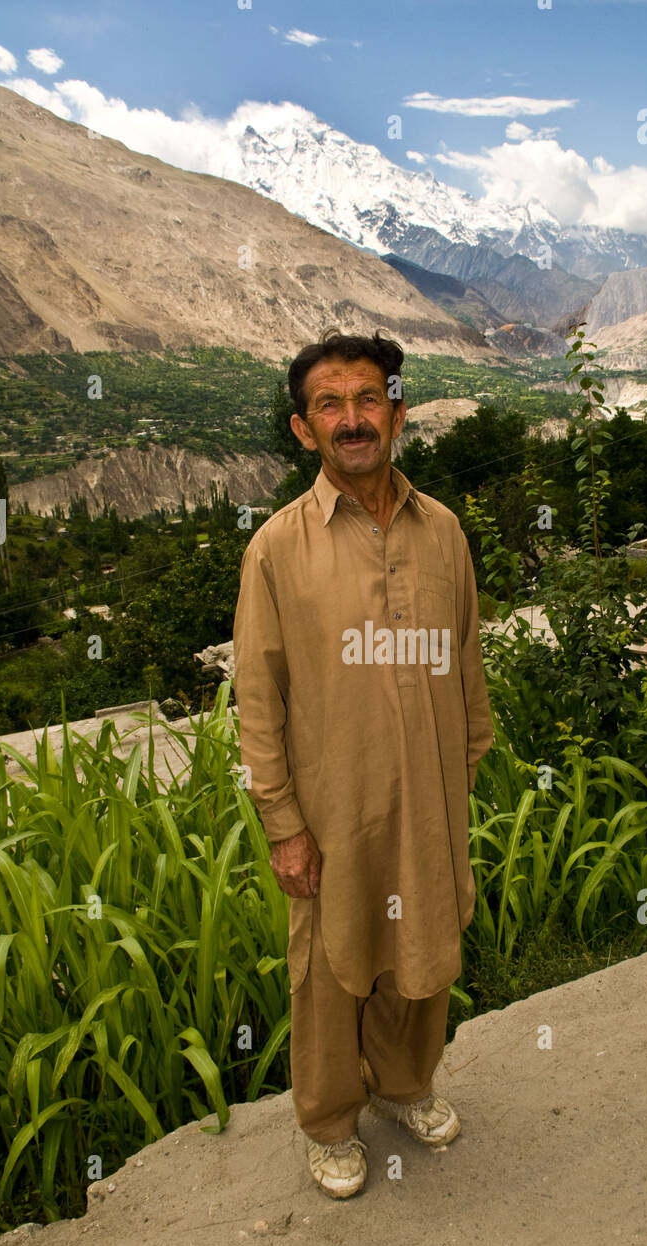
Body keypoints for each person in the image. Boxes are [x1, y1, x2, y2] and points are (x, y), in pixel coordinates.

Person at [232, 328, 494, 1199]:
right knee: (330, 965)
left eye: (367, 398)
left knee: (423, 943)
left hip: (428, 791)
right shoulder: (275, 549)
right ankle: (330, 1121)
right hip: (333, 806)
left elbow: (464, 659)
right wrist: (284, 825)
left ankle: (407, 1083)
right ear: (303, 430)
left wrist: (463, 773)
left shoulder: (442, 530)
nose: (352, 419)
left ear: (397, 412)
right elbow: (260, 699)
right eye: (329, 405)